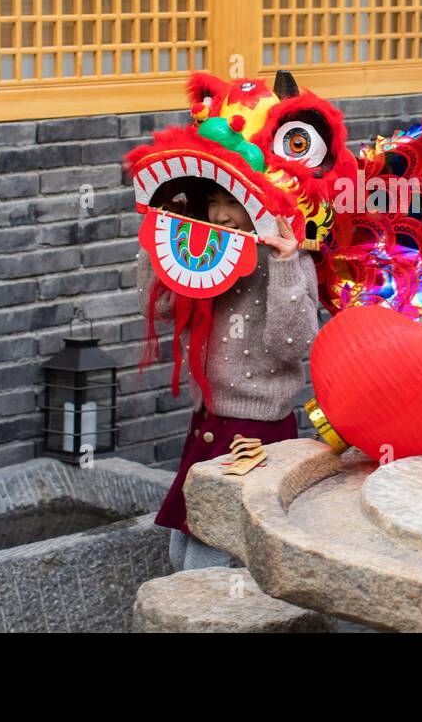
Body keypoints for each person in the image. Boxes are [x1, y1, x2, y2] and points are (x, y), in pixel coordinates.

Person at [138, 183, 320, 570]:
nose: (221, 215)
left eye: (233, 203)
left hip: (255, 434)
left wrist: (285, 266)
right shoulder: (202, 249)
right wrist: (159, 239)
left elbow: (293, 344)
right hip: (205, 421)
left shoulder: (287, 258)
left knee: (214, 559)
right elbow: (160, 307)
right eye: (213, 203)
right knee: (181, 548)